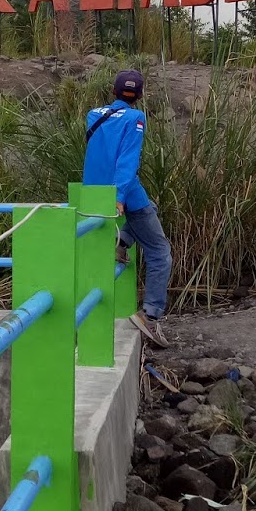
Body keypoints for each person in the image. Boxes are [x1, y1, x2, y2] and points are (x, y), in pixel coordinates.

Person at [82, 69, 171, 348]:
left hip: (93, 190)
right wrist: (119, 197)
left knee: (150, 207)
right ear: (140, 95)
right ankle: (151, 316)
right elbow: (127, 160)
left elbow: (100, 152)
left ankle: (122, 240)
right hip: (123, 190)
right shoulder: (136, 118)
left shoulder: (94, 115)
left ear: (113, 91)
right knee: (160, 253)